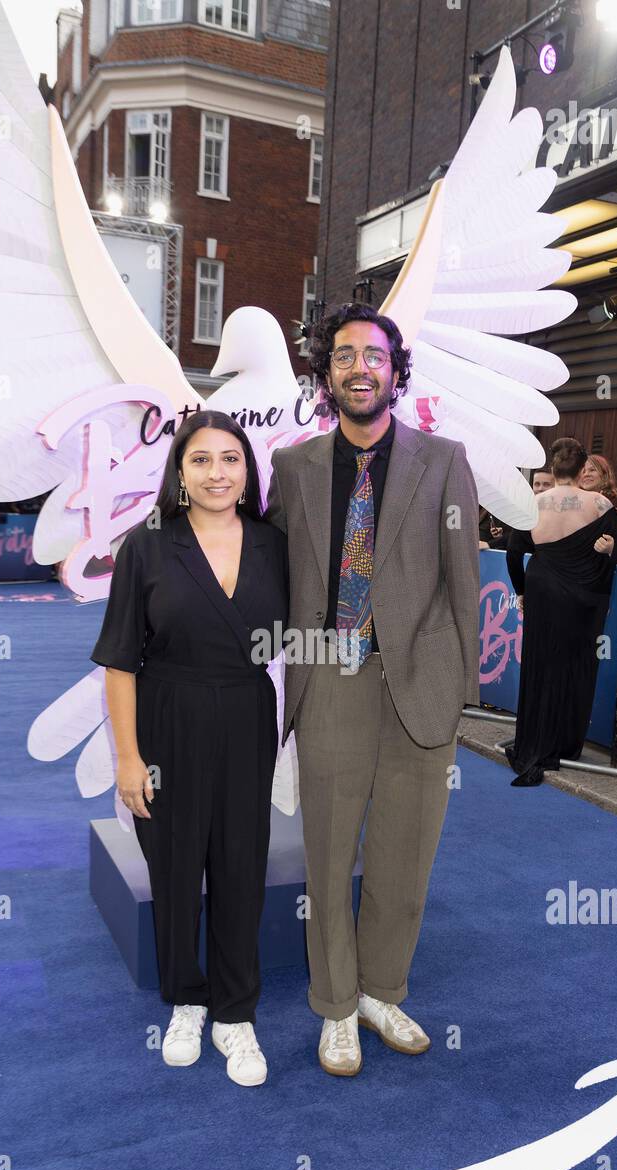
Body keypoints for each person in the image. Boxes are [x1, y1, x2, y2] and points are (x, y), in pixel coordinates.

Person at [266, 302, 480, 1078]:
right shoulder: (293, 468)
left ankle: (383, 991)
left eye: (376, 355)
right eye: (346, 355)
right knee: (327, 857)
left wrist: (460, 686)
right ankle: (335, 1007)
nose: (361, 367)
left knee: (403, 855)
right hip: (329, 678)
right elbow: (267, 572)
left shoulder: (444, 460)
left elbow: (465, 578)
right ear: (327, 373)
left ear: (396, 371)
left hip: (418, 685)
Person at [91, 410, 288, 1088]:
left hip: (245, 715)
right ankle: (186, 1000)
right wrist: (126, 757)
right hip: (167, 716)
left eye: (230, 459)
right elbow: (120, 662)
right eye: (201, 459)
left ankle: (236, 1013)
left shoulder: (274, 544)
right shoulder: (145, 547)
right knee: (174, 869)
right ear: (179, 471)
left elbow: (312, 632)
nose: (216, 473)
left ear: (248, 471)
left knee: (240, 864)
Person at [505, 436, 617, 787]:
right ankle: (565, 744)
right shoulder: (598, 502)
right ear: (582, 467)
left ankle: (533, 741)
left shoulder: (534, 503)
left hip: (541, 590)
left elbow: (512, 553)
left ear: (553, 469)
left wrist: (522, 590)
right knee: (573, 666)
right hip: (580, 599)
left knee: (540, 665)